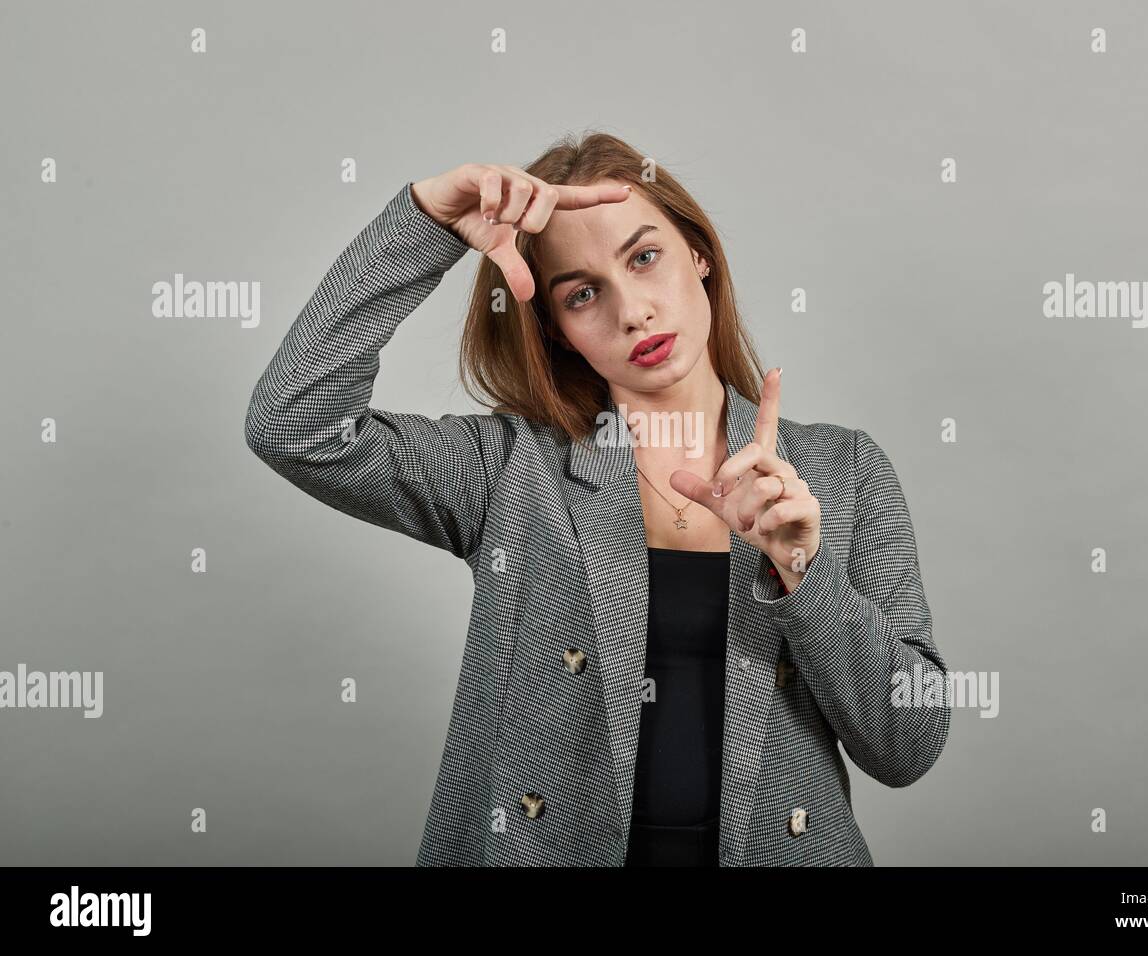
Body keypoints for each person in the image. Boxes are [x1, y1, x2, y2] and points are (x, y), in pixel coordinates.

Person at [244, 131, 951, 866]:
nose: (633, 313)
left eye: (644, 258)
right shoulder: (512, 469)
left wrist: (805, 571)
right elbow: (293, 425)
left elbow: (909, 746)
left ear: (700, 256)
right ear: (557, 329)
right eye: (583, 293)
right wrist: (425, 220)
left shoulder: (843, 469)